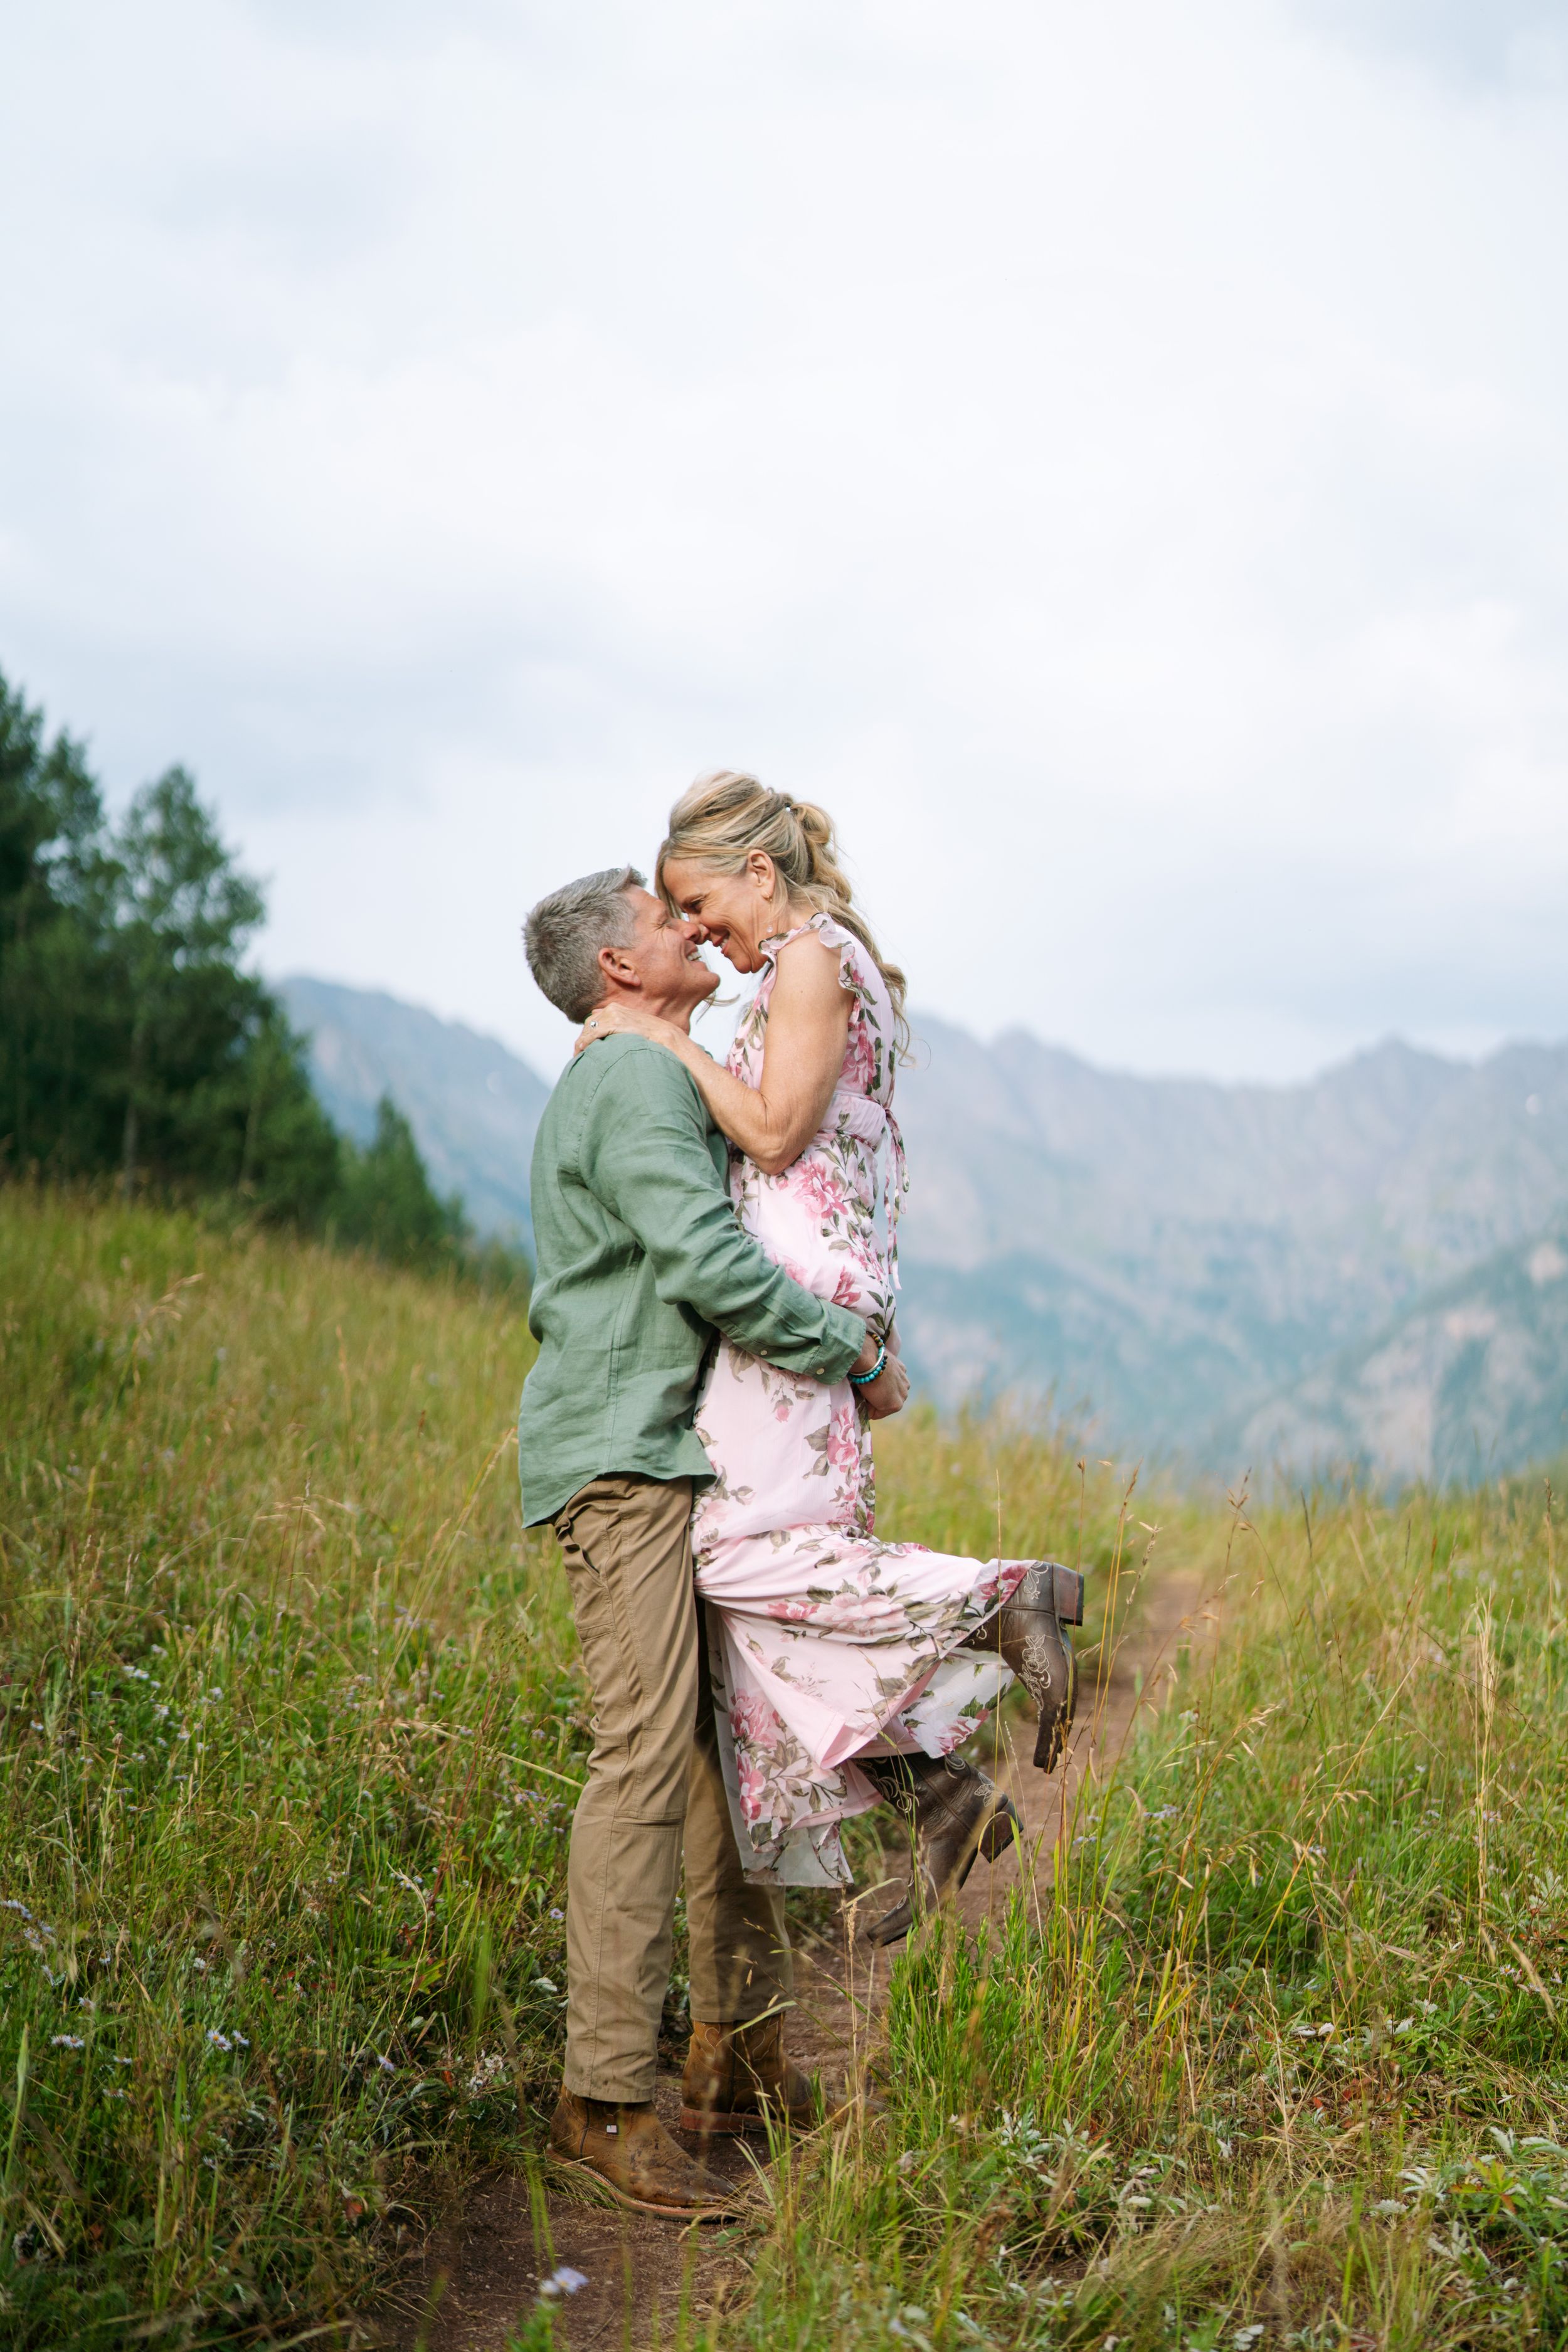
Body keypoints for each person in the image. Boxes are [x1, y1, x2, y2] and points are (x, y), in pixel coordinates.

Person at [576, 773, 1082, 1945]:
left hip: (796, 1310)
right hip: (818, 1305)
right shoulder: (814, 962)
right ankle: (937, 1795)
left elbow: (773, 1132)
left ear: (760, 873)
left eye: (701, 903)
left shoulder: (810, 959)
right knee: (770, 1598)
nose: (696, 928)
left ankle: (1003, 1600)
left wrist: (658, 1037)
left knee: (722, 1559)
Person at [519, 864, 909, 2221]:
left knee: (715, 1757)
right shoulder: (631, 1077)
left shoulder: (652, 1061)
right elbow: (705, 1262)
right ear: (618, 968)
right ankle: (602, 2101)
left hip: (668, 1453)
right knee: (642, 1757)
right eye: (659, 912)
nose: (688, 924)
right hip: (623, 1457)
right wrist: (848, 1348)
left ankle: (735, 2058)